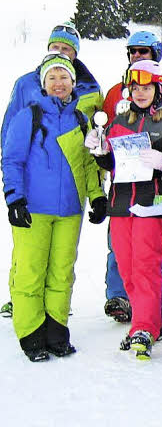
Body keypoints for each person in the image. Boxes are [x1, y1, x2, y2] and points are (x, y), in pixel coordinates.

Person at [2, 52, 106, 361]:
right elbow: (12, 160)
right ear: (43, 84)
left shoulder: (81, 120)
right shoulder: (29, 116)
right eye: (52, 78)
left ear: (73, 83)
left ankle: (56, 330)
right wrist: (14, 198)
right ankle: (31, 333)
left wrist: (97, 196)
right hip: (33, 208)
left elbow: (88, 164)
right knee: (31, 271)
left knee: (62, 272)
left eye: (64, 77)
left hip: (69, 210)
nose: (58, 83)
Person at [85, 60, 162, 360]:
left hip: (151, 205)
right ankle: (151, 322)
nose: (140, 93)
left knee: (146, 268)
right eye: (135, 88)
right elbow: (112, 163)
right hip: (120, 205)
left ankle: (143, 327)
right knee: (127, 269)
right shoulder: (119, 122)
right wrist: (101, 151)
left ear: (159, 90)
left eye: (146, 88)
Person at [4, 23, 103, 136]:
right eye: (55, 47)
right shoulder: (25, 84)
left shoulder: (91, 88)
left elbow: (100, 127)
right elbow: (9, 125)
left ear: (75, 54)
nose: (59, 51)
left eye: (65, 49)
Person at [103, 31, 162, 126]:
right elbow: (107, 127)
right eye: (133, 51)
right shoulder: (115, 92)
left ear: (155, 53)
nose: (136, 55)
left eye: (143, 51)